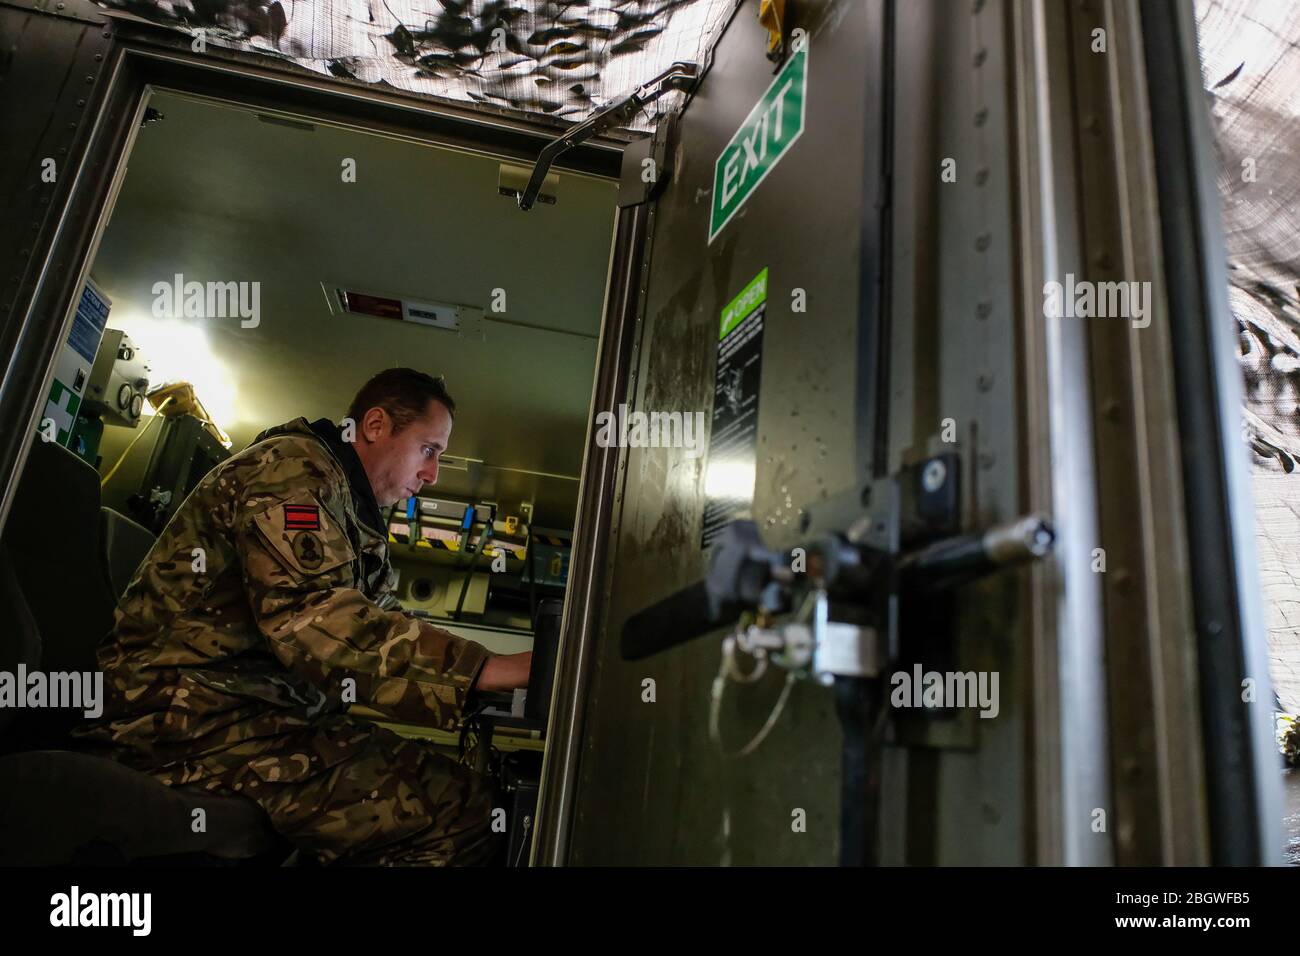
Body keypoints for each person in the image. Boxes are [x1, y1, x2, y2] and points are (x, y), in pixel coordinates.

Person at [77, 368, 531, 865]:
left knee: (454, 786)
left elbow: (380, 619)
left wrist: (486, 676)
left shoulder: (346, 509)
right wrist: (481, 670)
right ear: (376, 426)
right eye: (429, 450)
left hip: (245, 716)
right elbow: (314, 619)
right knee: (463, 813)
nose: (433, 474)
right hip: (180, 723)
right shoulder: (292, 471)